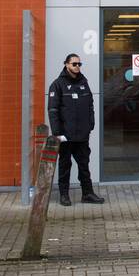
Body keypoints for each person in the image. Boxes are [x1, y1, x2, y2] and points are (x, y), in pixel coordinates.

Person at [47, 53, 105, 206]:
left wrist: (90, 124)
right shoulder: (57, 85)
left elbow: (90, 105)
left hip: (82, 135)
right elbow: (53, 110)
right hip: (66, 136)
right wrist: (57, 133)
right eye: (74, 64)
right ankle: (64, 195)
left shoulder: (84, 83)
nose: (77, 66)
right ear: (66, 64)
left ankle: (87, 194)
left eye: (79, 64)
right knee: (65, 166)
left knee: (84, 165)